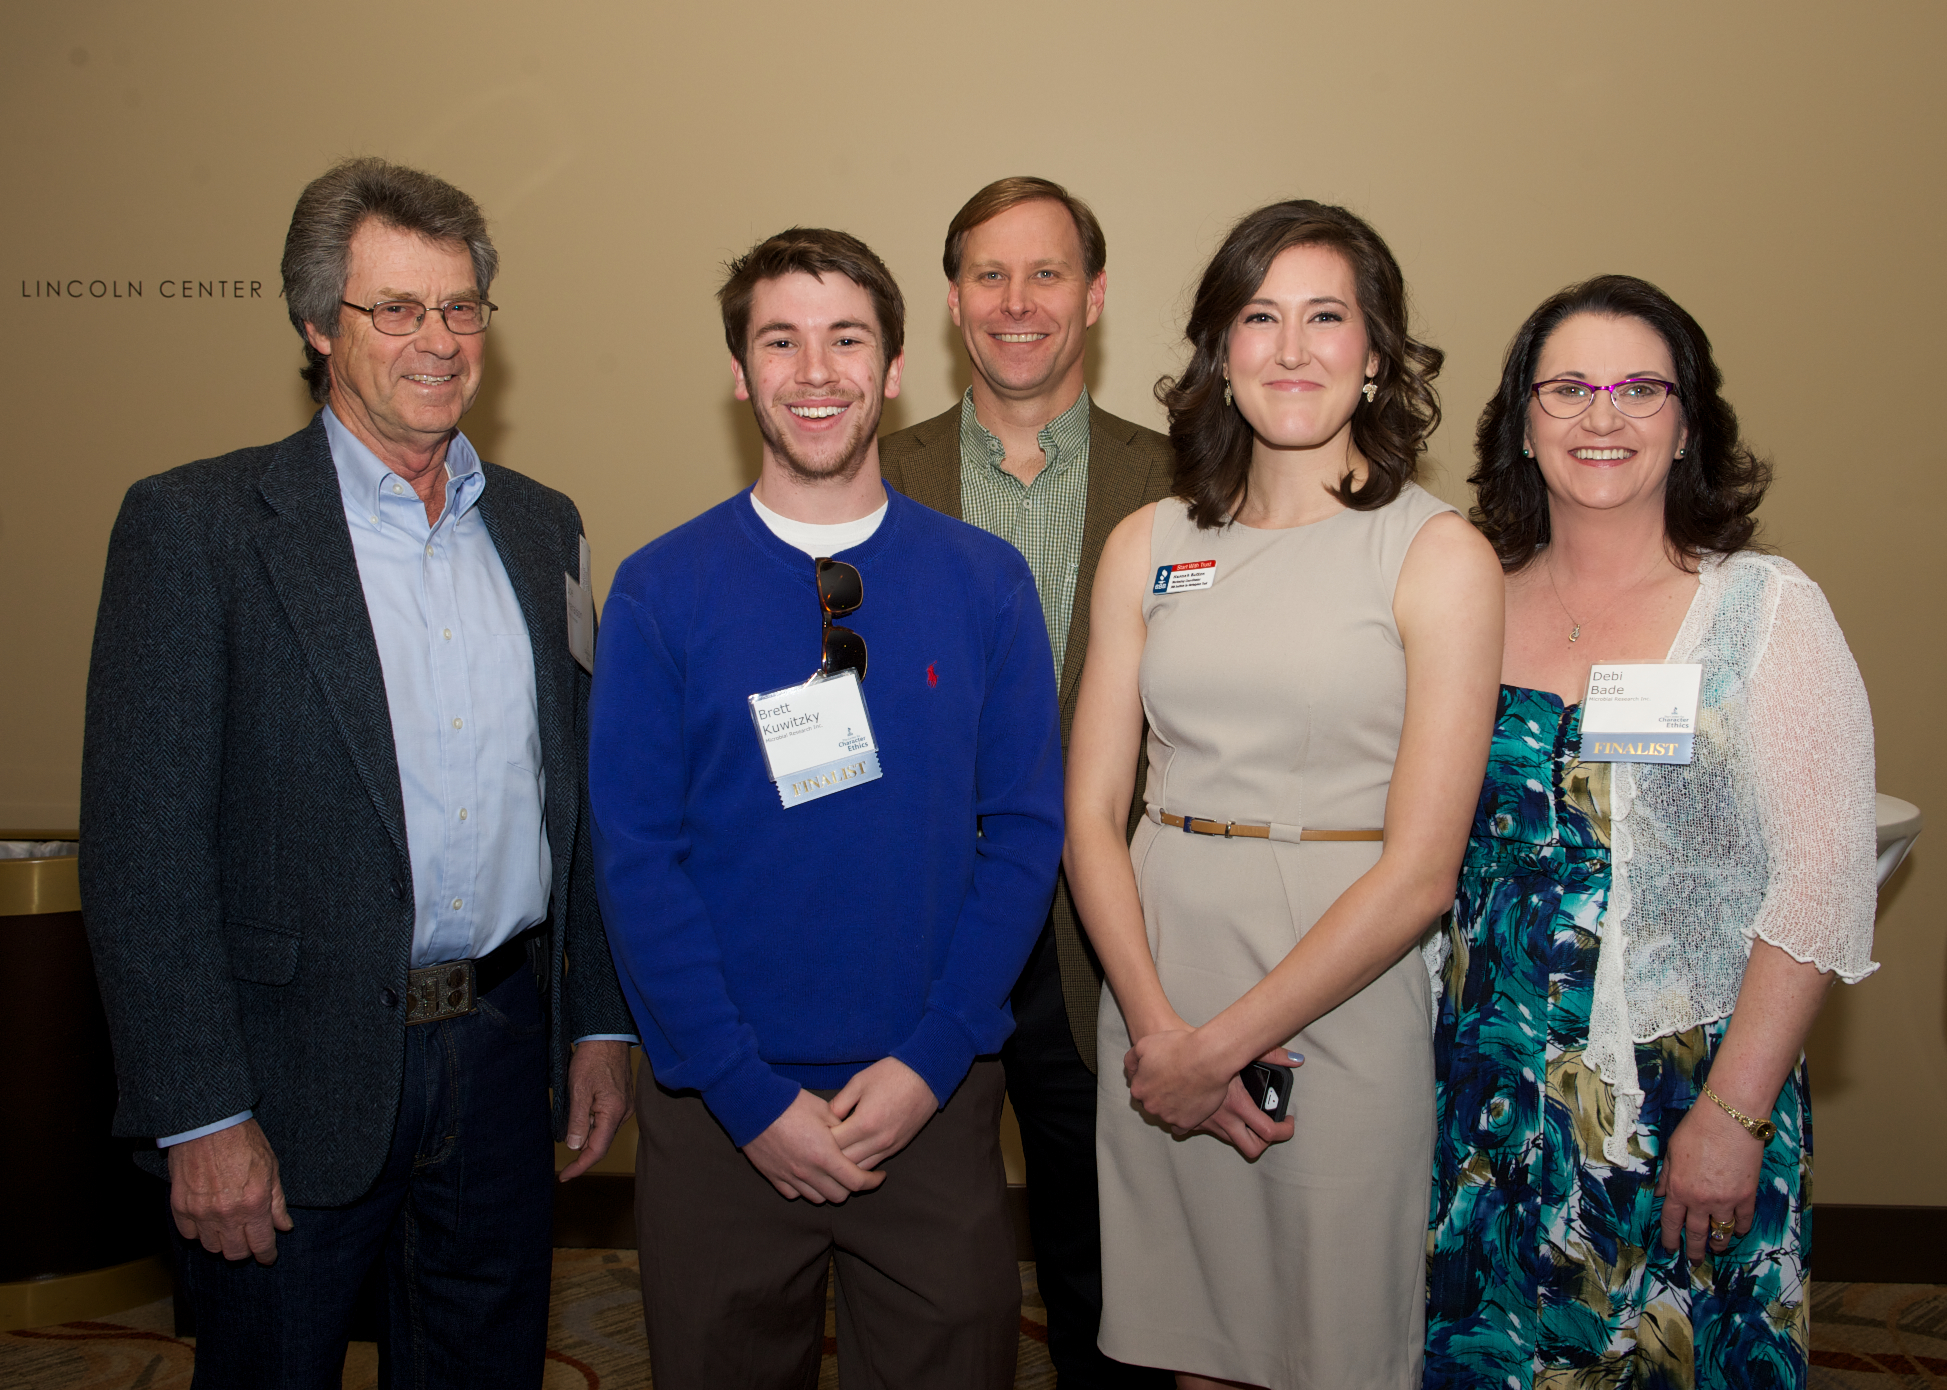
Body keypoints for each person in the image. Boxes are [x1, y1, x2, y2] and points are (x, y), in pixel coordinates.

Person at [79, 158, 638, 1388]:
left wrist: (593, 1018)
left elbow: (578, 803)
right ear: (319, 324)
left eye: (459, 307)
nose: (435, 340)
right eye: (396, 308)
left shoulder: (545, 526)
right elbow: (144, 850)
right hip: (287, 1080)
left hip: (500, 1057)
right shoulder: (200, 530)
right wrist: (200, 1113)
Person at [589, 227, 1064, 1390]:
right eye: (781, 342)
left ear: (896, 368)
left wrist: (933, 1057)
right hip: (718, 1116)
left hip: (934, 1101)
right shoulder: (661, 590)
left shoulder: (986, 583)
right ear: (739, 374)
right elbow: (637, 861)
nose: (815, 372)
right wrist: (747, 1096)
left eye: (846, 339)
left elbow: (1025, 839)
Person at [1064, 199, 1503, 1388]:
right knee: (1194, 1348)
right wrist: (1162, 1033)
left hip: (1338, 986)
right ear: (1220, 350)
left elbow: (1421, 873)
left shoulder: (1437, 553)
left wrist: (1226, 1046)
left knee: (1334, 1347)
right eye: (1260, 317)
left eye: (1327, 317)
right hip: (1160, 977)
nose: (1294, 348)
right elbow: (1092, 814)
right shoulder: (1146, 541)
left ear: (1376, 355)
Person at [1422, 275, 1878, 1388]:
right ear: (1523, 424)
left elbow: (1822, 878)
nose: (1603, 417)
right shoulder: (1462, 600)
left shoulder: (1761, 610)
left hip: (1686, 1089)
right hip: (1489, 1096)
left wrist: (1731, 1114)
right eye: (1569, 388)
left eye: (1640, 388)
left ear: (1686, 426)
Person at [878, 175, 1175, 1389]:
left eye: (1046, 273)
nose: (1017, 302)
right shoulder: (868, 475)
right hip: (918, 939)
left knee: (1108, 1274)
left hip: (1106, 949)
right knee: (914, 1273)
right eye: (988, 275)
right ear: (953, 302)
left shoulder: (1185, 482)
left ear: (1094, 296)